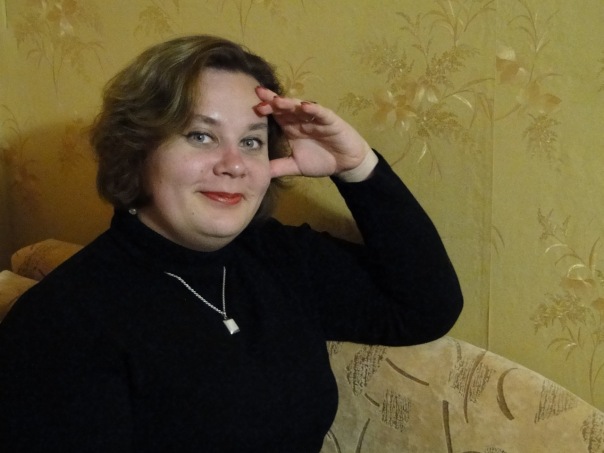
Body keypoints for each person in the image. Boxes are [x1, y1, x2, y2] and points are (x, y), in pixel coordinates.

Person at [0, 35, 463, 452]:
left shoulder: (278, 256)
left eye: (251, 142)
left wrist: (357, 166)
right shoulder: (60, 323)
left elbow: (424, 307)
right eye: (201, 136)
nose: (234, 164)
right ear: (138, 149)